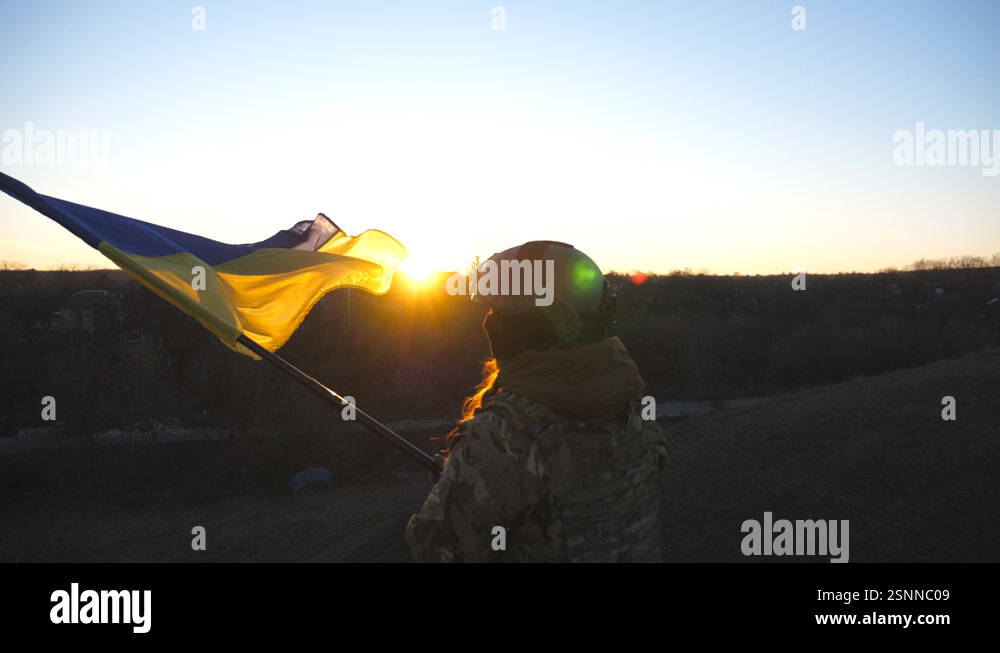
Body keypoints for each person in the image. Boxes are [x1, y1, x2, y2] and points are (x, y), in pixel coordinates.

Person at [405, 241, 668, 562]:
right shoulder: (629, 400)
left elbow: (436, 550)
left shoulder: (506, 433)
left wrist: (454, 489)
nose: (490, 323)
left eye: (498, 314)